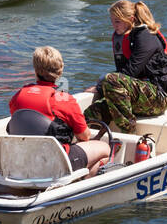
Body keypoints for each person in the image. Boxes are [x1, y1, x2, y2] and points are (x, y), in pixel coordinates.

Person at [8, 47, 112, 176]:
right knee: (105, 148)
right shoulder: (64, 100)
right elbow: (84, 136)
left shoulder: (18, 97)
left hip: (24, 160)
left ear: (35, 70)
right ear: (60, 71)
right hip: (55, 164)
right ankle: (80, 184)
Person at [84, 0, 167, 134]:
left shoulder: (145, 37)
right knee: (89, 116)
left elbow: (130, 72)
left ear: (131, 19)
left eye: (117, 21)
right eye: (112, 21)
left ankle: (129, 132)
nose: (113, 25)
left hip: (157, 97)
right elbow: (123, 75)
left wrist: (100, 86)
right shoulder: (123, 37)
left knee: (110, 79)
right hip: (137, 95)